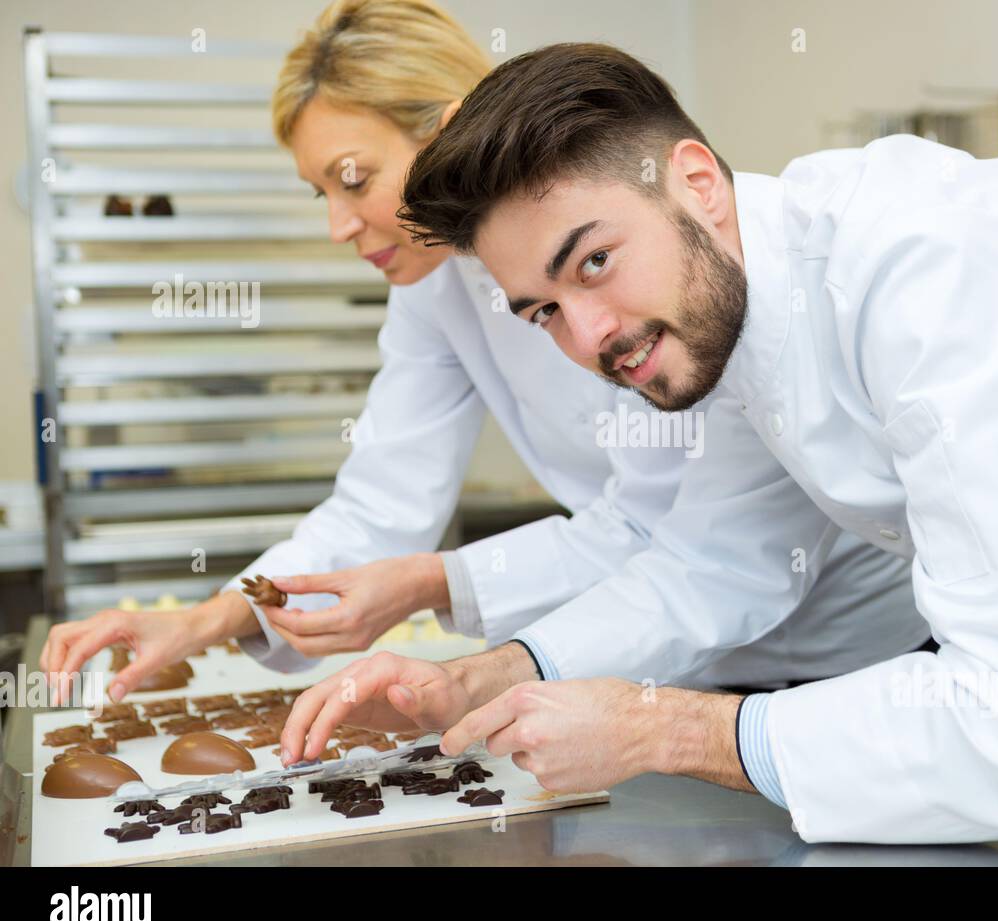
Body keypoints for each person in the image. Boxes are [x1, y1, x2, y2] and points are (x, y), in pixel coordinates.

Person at [284, 42, 998, 862]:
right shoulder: (739, 314)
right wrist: (490, 675)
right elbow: (714, 559)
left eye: (594, 261)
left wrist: (660, 729)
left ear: (694, 181)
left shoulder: (937, 271)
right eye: (544, 308)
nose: (588, 336)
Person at [40, 5, 927, 710]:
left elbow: (672, 538)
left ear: (447, 124)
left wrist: (439, 589)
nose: (338, 226)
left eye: (355, 179)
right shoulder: (435, 292)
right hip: (657, 650)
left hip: (840, 655)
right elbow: (379, 502)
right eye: (319, 193)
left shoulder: (647, 275)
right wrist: (216, 614)